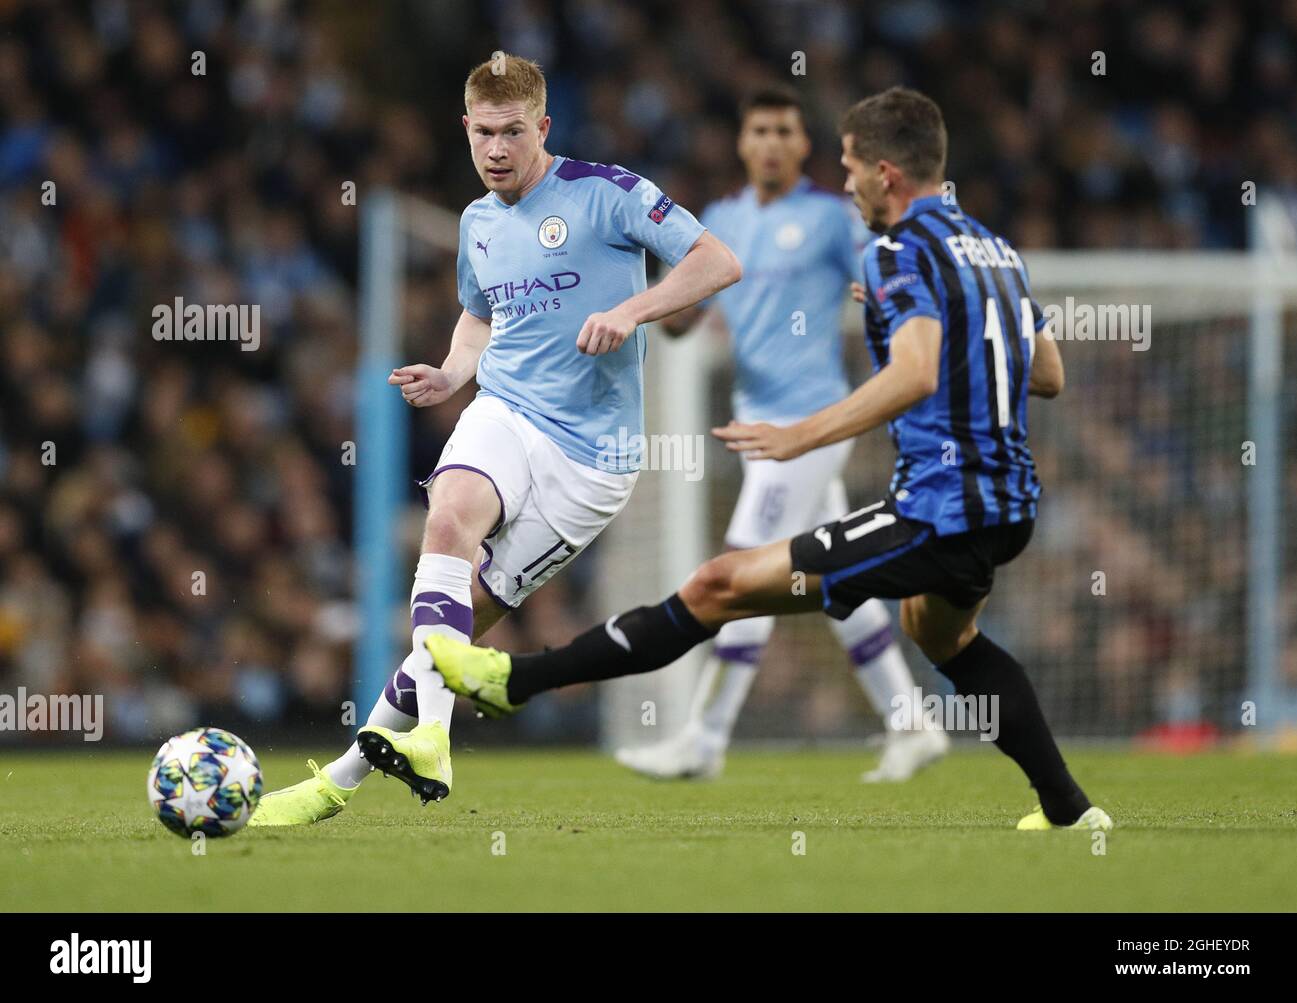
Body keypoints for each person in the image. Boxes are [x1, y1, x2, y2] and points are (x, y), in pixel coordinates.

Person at [427, 87, 1113, 831]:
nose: (843, 183)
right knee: (937, 632)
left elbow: (915, 371)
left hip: (931, 499)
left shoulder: (892, 248)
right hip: (1008, 501)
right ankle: (1061, 805)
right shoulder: (993, 248)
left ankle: (524, 681)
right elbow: (1046, 374)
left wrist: (804, 434)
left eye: (851, 167)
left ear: (887, 173)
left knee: (722, 582)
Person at [251, 54, 740, 825]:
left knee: (460, 625)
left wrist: (634, 311)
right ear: (467, 130)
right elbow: (480, 316)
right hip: (506, 407)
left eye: (514, 132)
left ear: (543, 127)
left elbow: (719, 260)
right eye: (484, 133)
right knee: (448, 516)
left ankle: (338, 782)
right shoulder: (476, 223)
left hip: (591, 459)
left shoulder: (606, 194)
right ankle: (433, 741)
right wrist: (452, 373)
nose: (498, 150)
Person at [620, 85, 946, 783]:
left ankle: (704, 739)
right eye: (758, 129)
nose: (770, 141)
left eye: (783, 130)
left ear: (804, 145)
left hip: (809, 421)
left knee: (742, 572)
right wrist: (656, 302)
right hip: (756, 418)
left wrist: (879, 290)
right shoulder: (721, 218)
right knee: (837, 581)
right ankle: (911, 722)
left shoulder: (832, 218)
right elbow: (682, 318)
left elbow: (886, 260)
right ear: (742, 143)